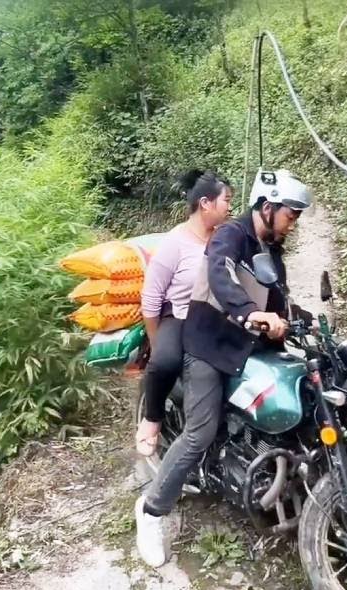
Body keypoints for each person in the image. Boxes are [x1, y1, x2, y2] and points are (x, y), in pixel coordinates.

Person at [134, 169, 313, 568]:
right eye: (291, 215)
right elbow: (220, 275)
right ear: (267, 208)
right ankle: (150, 511)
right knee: (199, 433)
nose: (293, 224)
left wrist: (303, 321)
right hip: (208, 344)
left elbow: (278, 301)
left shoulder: (271, 252)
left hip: (247, 347)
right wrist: (251, 313)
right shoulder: (230, 235)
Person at [135, 170, 234, 457]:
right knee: (165, 362)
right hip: (180, 315)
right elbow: (152, 295)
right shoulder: (175, 242)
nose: (230, 207)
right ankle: (152, 418)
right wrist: (156, 342)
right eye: (227, 200)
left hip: (215, 317)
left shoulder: (225, 238)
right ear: (206, 203)